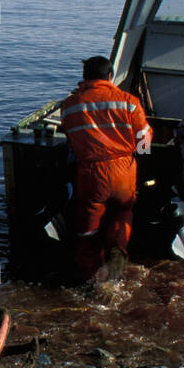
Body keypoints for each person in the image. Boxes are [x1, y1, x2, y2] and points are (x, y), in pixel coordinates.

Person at [57, 56, 150, 284]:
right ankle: (117, 251)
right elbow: (144, 142)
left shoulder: (69, 107)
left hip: (91, 174)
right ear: (110, 76)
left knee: (89, 230)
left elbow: (71, 139)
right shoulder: (129, 101)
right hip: (124, 170)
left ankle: (93, 283)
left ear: (84, 77)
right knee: (123, 212)